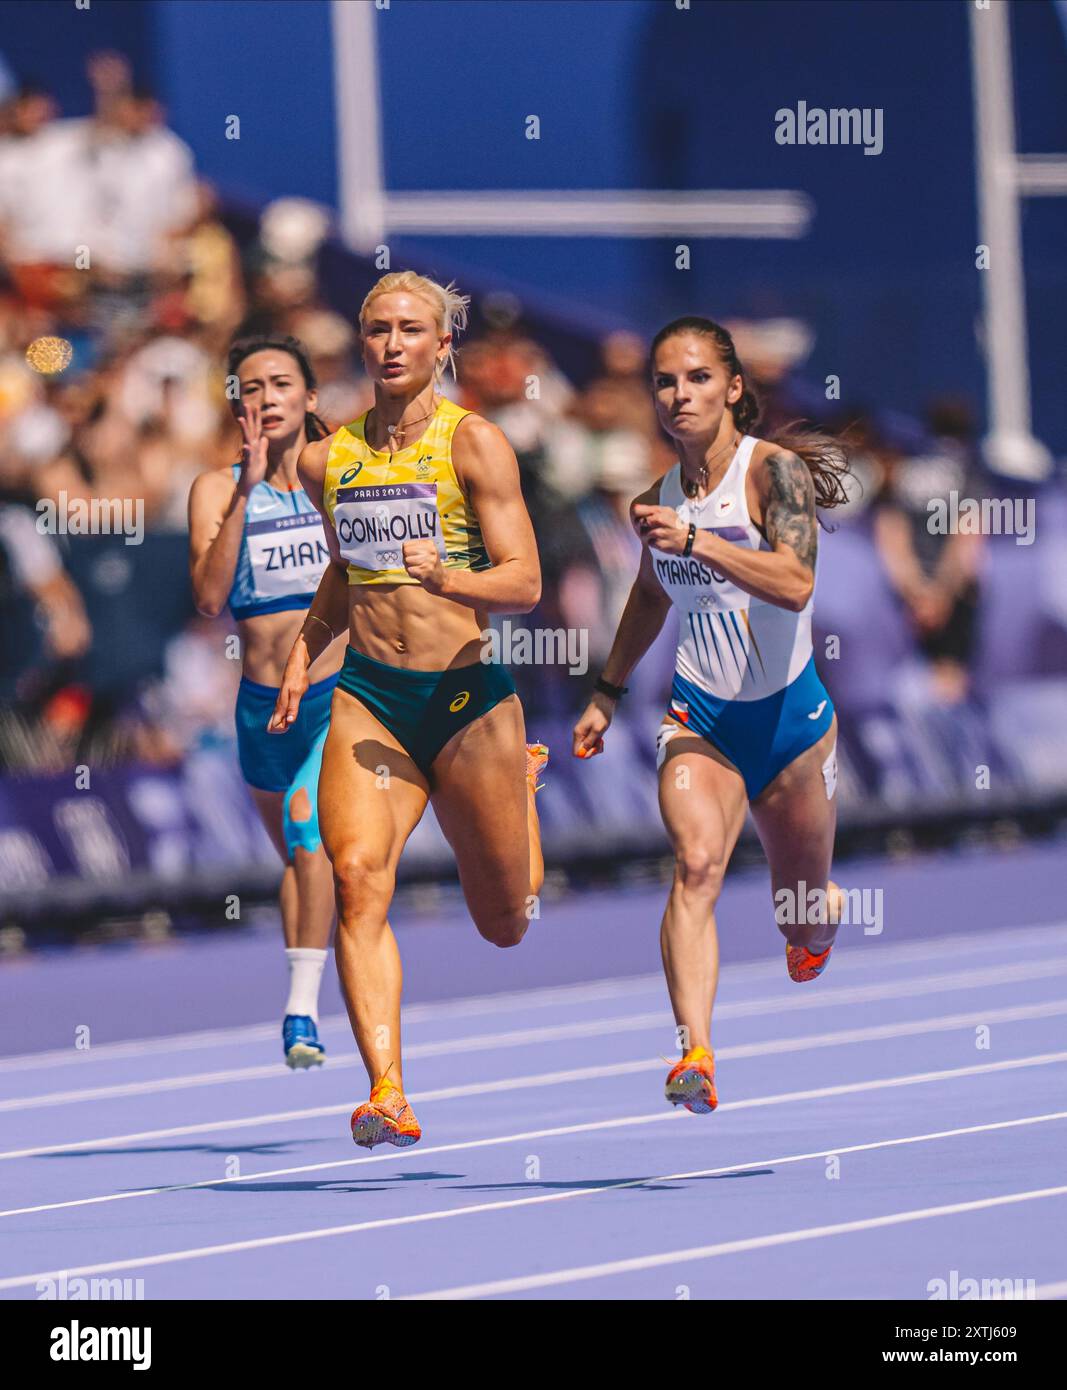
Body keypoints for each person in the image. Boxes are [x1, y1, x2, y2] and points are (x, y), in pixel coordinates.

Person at [270, 270, 547, 1149]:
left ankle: (520, 791)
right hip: (371, 700)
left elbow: (527, 583)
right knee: (356, 879)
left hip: (464, 699)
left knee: (504, 922)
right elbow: (345, 576)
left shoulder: (477, 446)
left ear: (440, 345)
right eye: (377, 329)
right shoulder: (328, 458)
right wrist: (300, 656)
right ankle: (387, 1089)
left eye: (409, 330)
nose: (391, 344)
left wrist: (449, 578)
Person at [573, 315, 850, 1117]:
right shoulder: (653, 502)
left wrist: (698, 539)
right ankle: (694, 1051)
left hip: (792, 729)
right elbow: (651, 594)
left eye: (696, 377)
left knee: (802, 912)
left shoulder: (776, 476)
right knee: (696, 866)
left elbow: (794, 583)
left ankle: (817, 926)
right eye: (664, 380)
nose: (678, 393)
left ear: (731, 388)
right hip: (702, 720)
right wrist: (606, 690)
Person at [188, 334, 340, 1067]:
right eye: (249, 388)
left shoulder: (343, 476)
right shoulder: (216, 490)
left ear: (310, 398)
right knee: (302, 864)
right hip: (258, 707)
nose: (265, 398)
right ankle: (341, 967)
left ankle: (300, 1014)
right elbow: (211, 597)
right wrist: (247, 490)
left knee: (308, 833)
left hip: (336, 694)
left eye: (280, 383)